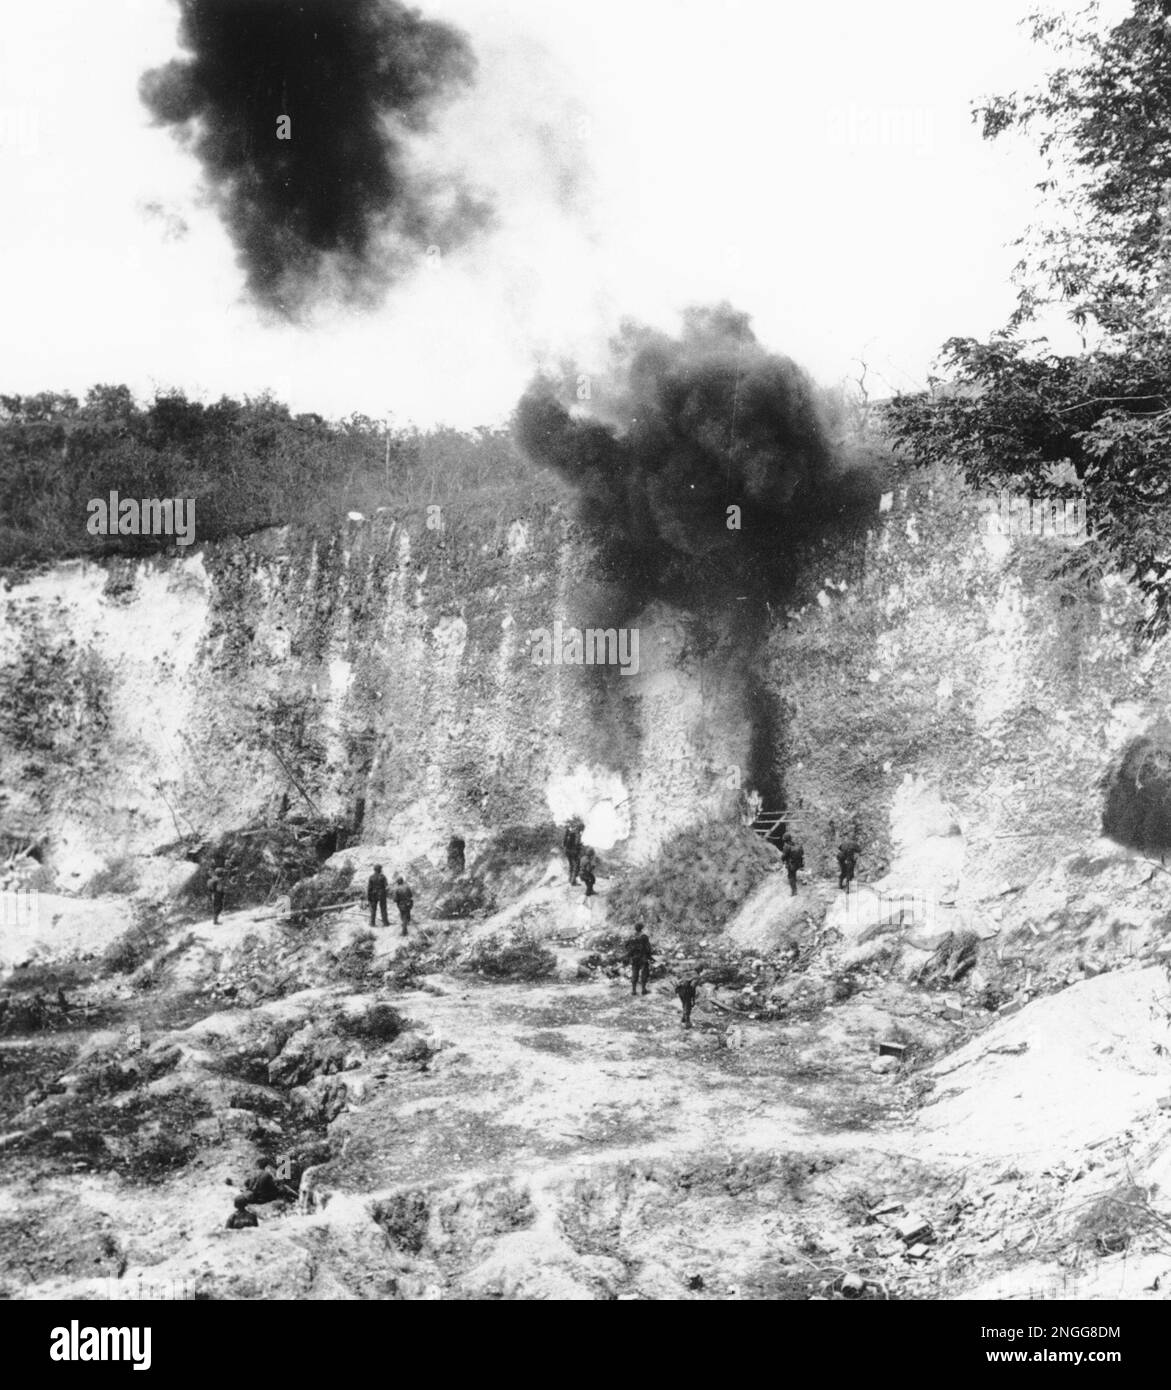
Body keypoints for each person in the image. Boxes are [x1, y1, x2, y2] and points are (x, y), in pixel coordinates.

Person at [626, 923, 654, 996]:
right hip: (643, 957)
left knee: (634, 973)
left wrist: (630, 955)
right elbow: (648, 948)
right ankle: (643, 989)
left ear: (635, 928)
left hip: (634, 958)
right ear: (642, 928)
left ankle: (633, 990)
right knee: (644, 973)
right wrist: (650, 956)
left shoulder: (631, 937)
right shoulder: (644, 936)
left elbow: (626, 946)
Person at [367, 863, 389, 928]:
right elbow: (386, 886)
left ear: (374, 869)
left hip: (374, 894)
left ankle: (372, 923)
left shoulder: (371, 877)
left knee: (373, 909)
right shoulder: (383, 877)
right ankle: (385, 923)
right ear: (380, 869)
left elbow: (369, 888)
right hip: (382, 893)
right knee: (383, 909)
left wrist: (368, 897)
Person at [563, 819, 583, 885]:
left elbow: (564, 842)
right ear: (580, 828)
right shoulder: (577, 833)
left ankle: (570, 879)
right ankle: (573, 881)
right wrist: (580, 845)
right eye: (582, 829)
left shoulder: (570, 831)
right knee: (575, 866)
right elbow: (576, 843)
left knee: (571, 865)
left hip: (567, 851)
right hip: (573, 852)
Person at [208, 860, 227, 924]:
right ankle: (215, 921)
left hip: (215, 894)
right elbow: (219, 888)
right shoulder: (218, 880)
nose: (224, 874)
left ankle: (215, 920)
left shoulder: (215, 879)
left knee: (217, 907)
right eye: (222, 873)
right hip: (217, 895)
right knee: (218, 907)